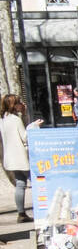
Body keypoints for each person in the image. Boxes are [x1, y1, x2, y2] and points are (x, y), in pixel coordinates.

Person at [1, 95, 34, 223]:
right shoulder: (15, 119)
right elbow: (25, 137)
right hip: (21, 157)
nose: (22, 104)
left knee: (20, 184)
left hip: (11, 158)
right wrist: (31, 126)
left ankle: (21, 213)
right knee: (35, 180)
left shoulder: (3, 119)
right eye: (19, 102)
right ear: (14, 105)